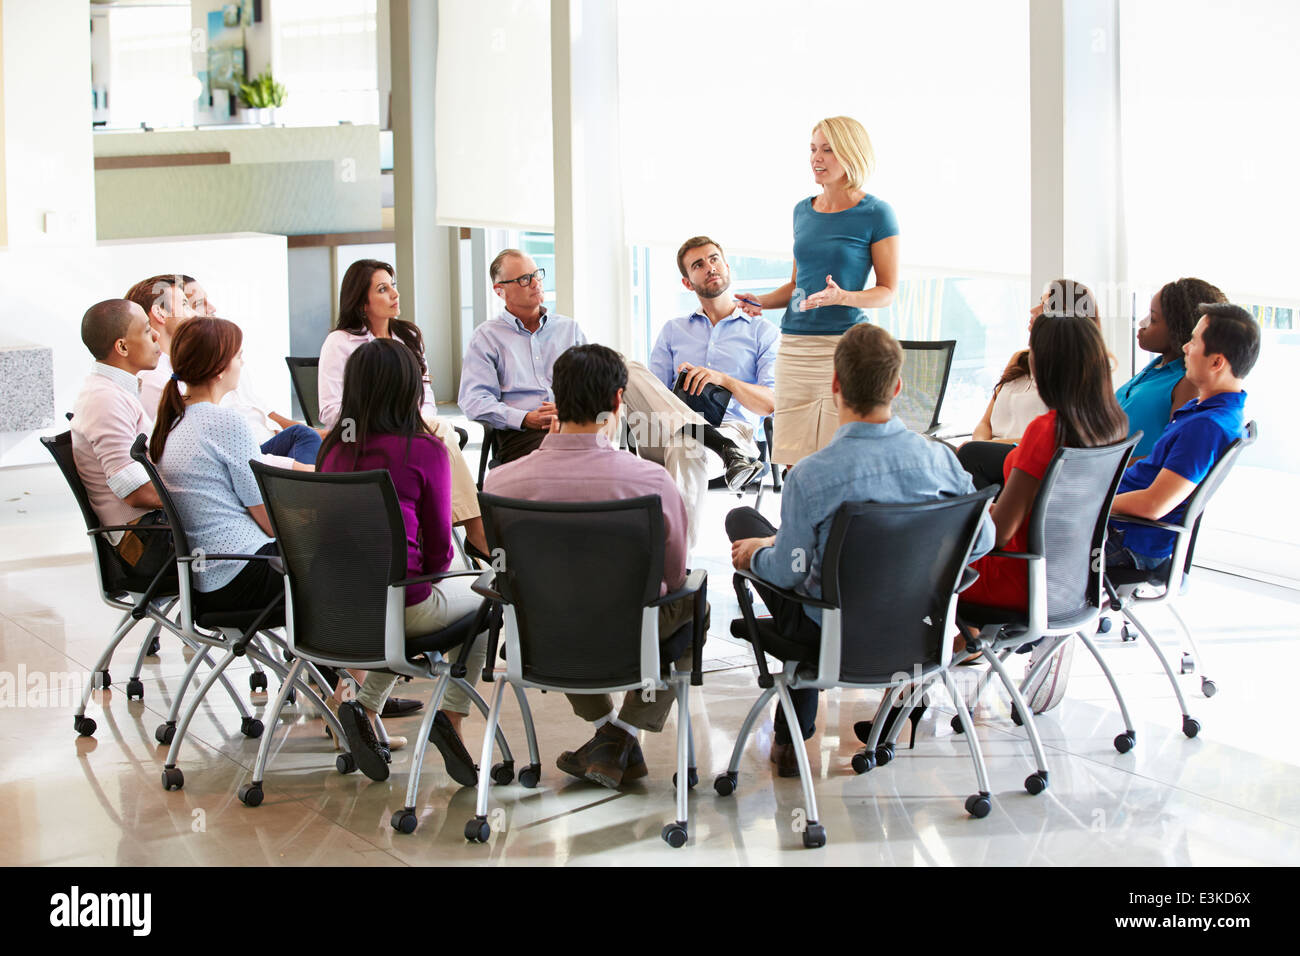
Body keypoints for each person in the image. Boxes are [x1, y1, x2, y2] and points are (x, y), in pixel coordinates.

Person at [727, 323, 994, 776]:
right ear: (898, 386)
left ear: (835, 385)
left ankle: (794, 736)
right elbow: (983, 540)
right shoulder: (941, 459)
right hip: (919, 628)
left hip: (834, 636)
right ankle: (819, 725)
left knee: (744, 526)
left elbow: (790, 573)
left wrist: (755, 553)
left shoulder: (811, 475)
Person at [484, 344, 709, 790]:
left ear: (553, 398)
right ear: (618, 401)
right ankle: (623, 733)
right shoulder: (650, 481)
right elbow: (676, 576)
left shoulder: (500, 482)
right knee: (693, 602)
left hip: (541, 640)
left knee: (552, 594)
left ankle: (608, 734)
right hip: (632, 641)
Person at [318, 339, 487, 785]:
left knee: (398, 607)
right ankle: (450, 719)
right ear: (410, 388)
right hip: (402, 607)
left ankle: (363, 706)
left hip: (336, 613)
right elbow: (438, 555)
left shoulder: (332, 450)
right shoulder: (426, 450)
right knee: (491, 597)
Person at [959, 283, 1130, 615]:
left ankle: (896, 656)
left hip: (1018, 579)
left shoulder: (1047, 430)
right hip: (1071, 580)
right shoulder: (1112, 423)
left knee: (908, 559)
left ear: (1046, 363)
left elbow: (1000, 534)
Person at [740, 116, 899, 466]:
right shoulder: (802, 210)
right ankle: (797, 522)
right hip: (795, 346)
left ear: (851, 154)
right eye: (813, 149)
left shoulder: (876, 213)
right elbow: (798, 284)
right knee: (792, 459)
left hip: (840, 347)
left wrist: (844, 297)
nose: (817, 158)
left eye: (828, 149)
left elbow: (887, 291)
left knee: (833, 456)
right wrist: (761, 302)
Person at [319, 259, 487, 555]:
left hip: (413, 425)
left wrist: (416, 422)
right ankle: (475, 532)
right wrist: (384, 420)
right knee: (441, 435)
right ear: (361, 302)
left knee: (437, 429)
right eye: (383, 289)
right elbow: (331, 412)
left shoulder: (409, 336)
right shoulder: (340, 342)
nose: (395, 295)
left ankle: (445, 531)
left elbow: (427, 395)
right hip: (367, 431)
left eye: (393, 286)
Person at [636, 235, 778, 537]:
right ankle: (717, 445)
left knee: (687, 445)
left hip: (733, 430)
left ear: (727, 265)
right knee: (625, 366)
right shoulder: (673, 330)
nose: (709, 267)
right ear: (688, 283)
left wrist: (724, 380)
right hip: (664, 429)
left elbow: (769, 403)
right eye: (698, 265)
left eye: (714, 259)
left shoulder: (762, 332)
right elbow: (652, 395)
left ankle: (675, 565)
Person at [149, 317, 285, 619]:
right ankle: (344, 665)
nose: (242, 362)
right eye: (238, 356)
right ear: (220, 368)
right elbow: (264, 513)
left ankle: (328, 665)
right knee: (353, 570)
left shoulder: (172, 420)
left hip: (207, 580)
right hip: (244, 571)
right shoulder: (224, 422)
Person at [1109, 303, 1259, 574]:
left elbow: (1154, 505)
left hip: (1127, 540)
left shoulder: (1206, 427)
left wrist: (1093, 502)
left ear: (1217, 362)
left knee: (1022, 531)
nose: (1185, 349)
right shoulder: (1209, 410)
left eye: (1193, 341)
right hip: (1123, 526)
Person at [129, 274, 320, 468]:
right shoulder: (159, 379)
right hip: (242, 461)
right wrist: (299, 468)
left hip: (250, 453)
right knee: (306, 440)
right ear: (160, 313)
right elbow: (214, 450)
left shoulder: (184, 372)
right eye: (187, 304)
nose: (197, 314)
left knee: (309, 440)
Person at [957, 280, 1100, 489]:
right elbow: (985, 422)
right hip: (987, 457)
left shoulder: (1075, 372)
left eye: (1046, 306)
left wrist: (981, 448)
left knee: (969, 456)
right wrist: (979, 443)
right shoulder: (1020, 358)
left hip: (1027, 460)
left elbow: (1053, 439)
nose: (1033, 310)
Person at [70, 299, 172, 584]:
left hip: (155, 530)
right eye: (147, 330)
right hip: (147, 544)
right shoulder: (105, 400)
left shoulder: (114, 391)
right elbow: (136, 492)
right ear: (123, 347)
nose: (156, 337)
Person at [457, 249, 586, 463]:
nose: (536, 283)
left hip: (575, 426)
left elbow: (592, 384)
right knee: (567, 461)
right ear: (500, 291)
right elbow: (474, 400)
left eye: (536, 274)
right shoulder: (486, 337)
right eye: (524, 279)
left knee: (610, 463)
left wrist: (570, 409)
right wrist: (525, 418)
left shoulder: (569, 329)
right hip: (522, 436)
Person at [1115, 278, 1227, 459]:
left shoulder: (1188, 382)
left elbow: (1172, 457)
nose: (1142, 323)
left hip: (1118, 479)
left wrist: (1103, 467)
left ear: (1180, 330)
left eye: (1153, 319)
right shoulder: (1158, 366)